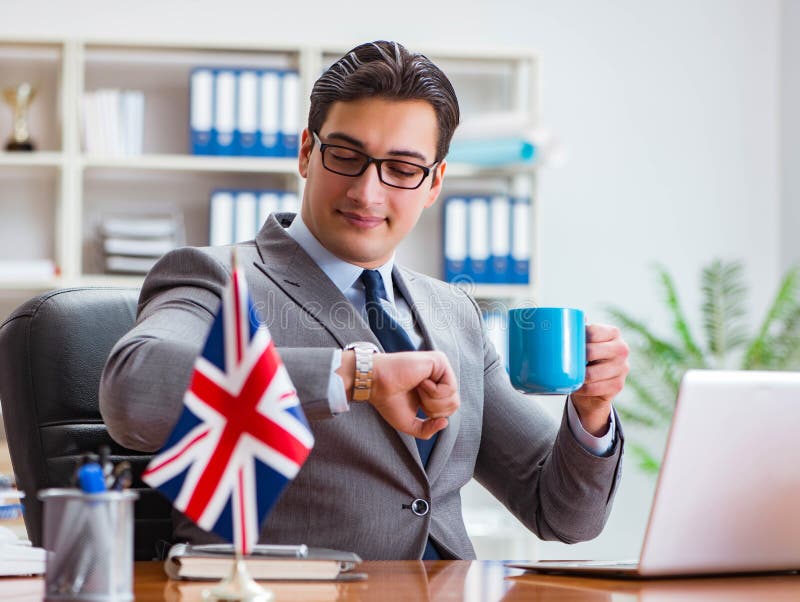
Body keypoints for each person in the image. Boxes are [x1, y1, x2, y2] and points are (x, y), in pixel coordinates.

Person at [99, 40, 629, 560]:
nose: (367, 193)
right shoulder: (217, 277)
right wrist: (357, 375)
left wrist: (591, 412)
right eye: (347, 156)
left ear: (434, 183)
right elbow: (134, 394)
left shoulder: (455, 313)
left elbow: (562, 515)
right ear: (307, 153)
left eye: (401, 169)